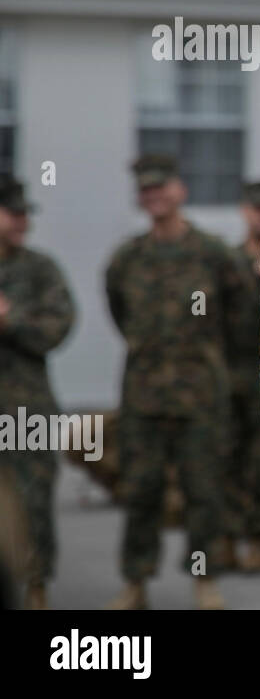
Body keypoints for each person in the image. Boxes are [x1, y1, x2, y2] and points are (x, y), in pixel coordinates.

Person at [105, 154, 246, 610]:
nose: (155, 196)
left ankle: (204, 580)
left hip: (201, 395)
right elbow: (120, 313)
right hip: (144, 396)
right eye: (146, 190)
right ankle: (135, 581)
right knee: (140, 491)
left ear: (180, 191)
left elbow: (241, 315)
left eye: (161, 187)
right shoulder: (127, 258)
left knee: (204, 492)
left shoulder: (213, 253)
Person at [0, 175, 75, 609]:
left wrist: (11, 321)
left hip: (27, 407)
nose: (22, 221)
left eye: (25, 213)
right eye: (13, 212)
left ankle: (35, 587)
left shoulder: (39, 268)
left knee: (33, 500)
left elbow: (57, 325)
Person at [215, 181, 260, 573]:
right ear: (244, 211)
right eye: (255, 208)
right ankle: (225, 536)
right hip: (230, 368)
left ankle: (259, 539)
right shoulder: (225, 260)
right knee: (225, 455)